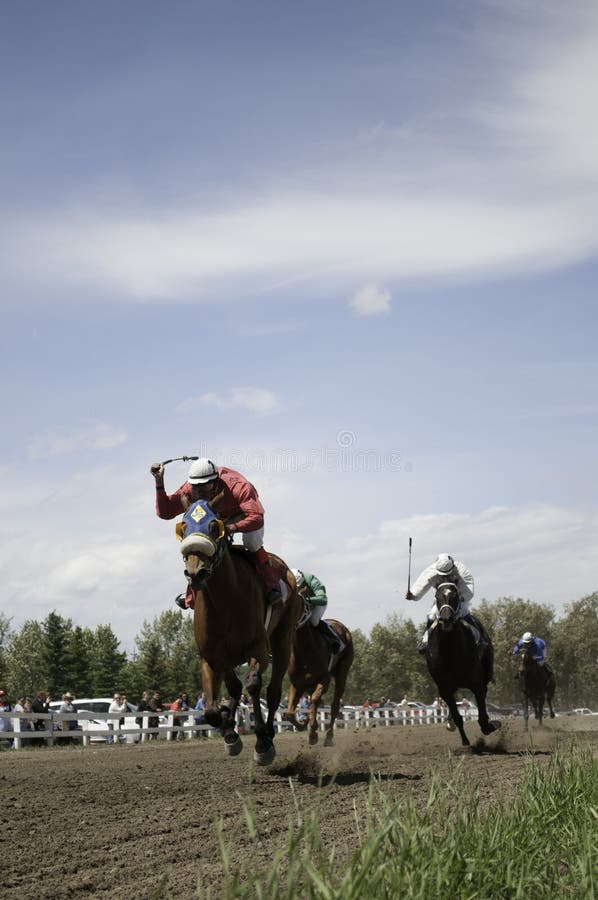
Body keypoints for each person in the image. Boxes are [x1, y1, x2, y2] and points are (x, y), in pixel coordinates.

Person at [150, 457, 282, 609]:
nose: (199, 494)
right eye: (196, 488)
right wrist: (159, 483)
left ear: (216, 482)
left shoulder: (239, 486)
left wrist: (231, 527)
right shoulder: (189, 489)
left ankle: (271, 583)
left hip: (241, 515)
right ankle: (192, 591)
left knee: (252, 542)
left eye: (205, 489)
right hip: (214, 517)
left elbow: (256, 518)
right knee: (194, 538)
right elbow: (165, 512)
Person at [406, 553, 481, 652]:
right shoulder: (431, 572)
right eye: (442, 574)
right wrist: (413, 595)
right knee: (432, 614)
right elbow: (421, 585)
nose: (445, 576)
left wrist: (459, 598)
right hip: (441, 598)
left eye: (448, 573)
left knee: (463, 611)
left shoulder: (462, 571)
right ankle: (425, 640)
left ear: (453, 566)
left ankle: (479, 639)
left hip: (458, 596)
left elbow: (469, 592)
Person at [290, 568, 344, 655]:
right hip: (301, 603)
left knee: (314, 620)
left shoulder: (313, 581)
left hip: (317, 603)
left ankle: (334, 638)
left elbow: (322, 598)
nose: (299, 588)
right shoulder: (289, 578)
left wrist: (307, 599)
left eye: (301, 586)